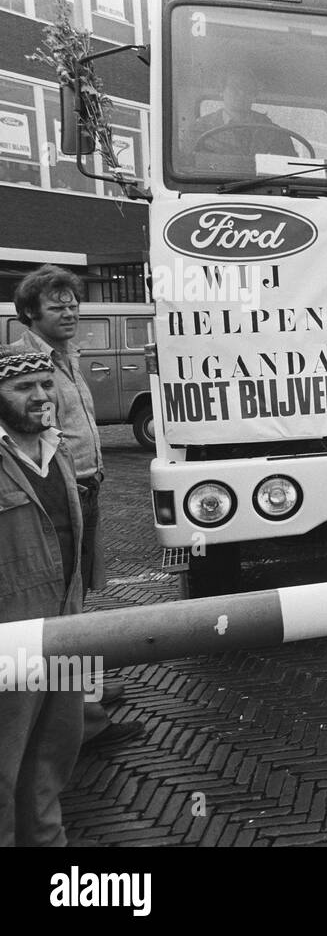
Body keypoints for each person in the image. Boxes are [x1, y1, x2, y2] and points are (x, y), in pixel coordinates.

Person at [12, 267, 139, 750]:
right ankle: (84, 722)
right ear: (30, 313)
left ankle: (88, 690)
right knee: (63, 605)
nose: (69, 312)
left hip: (85, 488)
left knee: (78, 596)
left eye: (72, 303)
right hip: (60, 494)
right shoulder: (28, 363)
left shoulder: (66, 356)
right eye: (56, 305)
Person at [0, 350, 85, 846]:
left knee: (55, 751)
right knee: (3, 765)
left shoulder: (59, 449)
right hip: (11, 636)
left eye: (46, 385)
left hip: (67, 626)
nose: (40, 397)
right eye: (22, 387)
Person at [190, 66, 297, 159]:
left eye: (247, 88)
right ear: (221, 91)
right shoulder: (200, 129)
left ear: (254, 94)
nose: (241, 93)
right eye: (235, 87)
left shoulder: (275, 133)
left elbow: (291, 170)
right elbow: (188, 167)